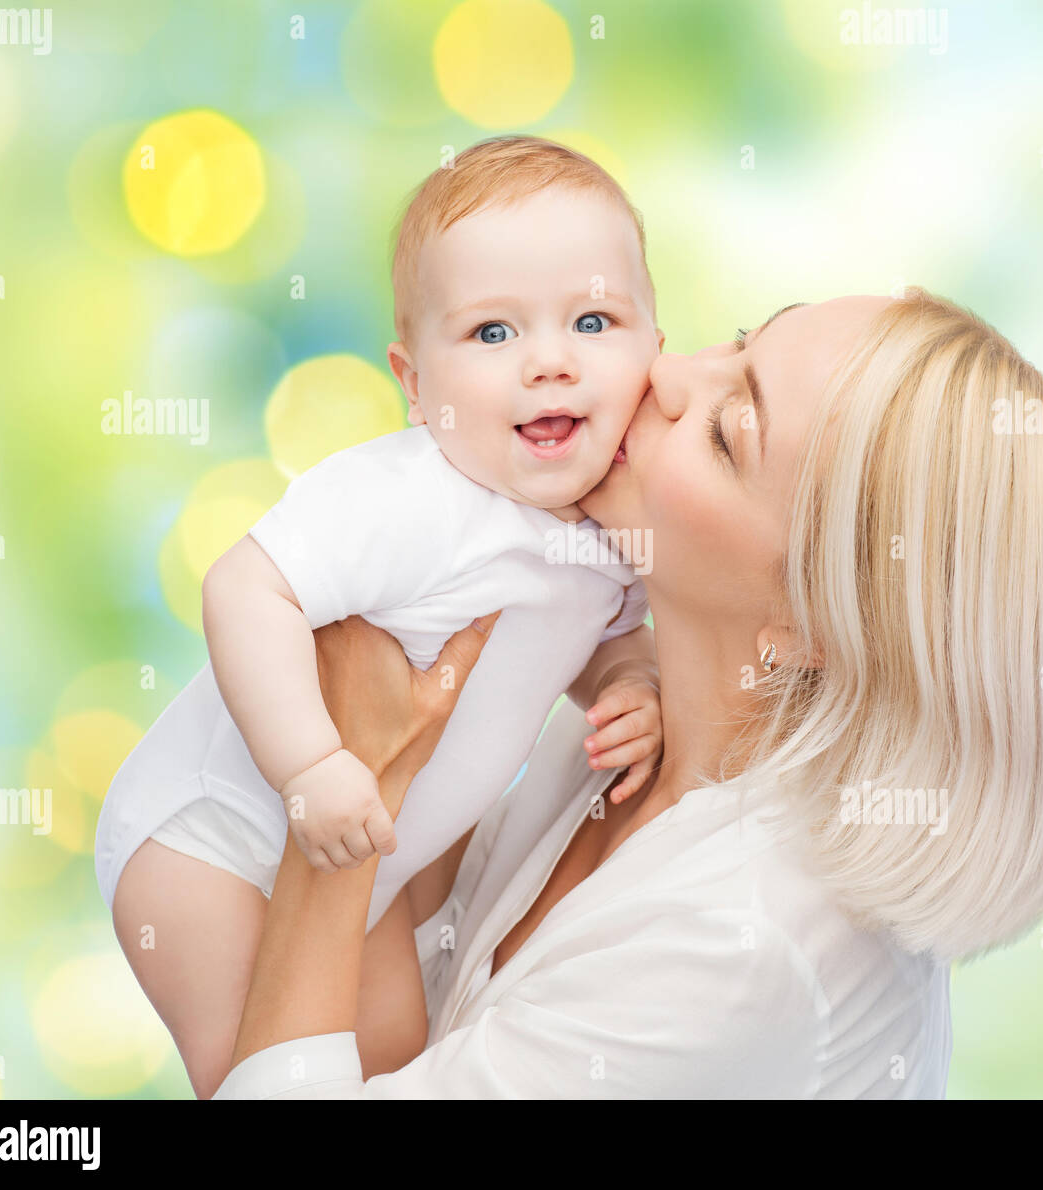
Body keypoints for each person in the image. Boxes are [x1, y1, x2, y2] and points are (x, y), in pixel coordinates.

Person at [213, 288, 1043, 1098]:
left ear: (811, 628)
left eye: (728, 431)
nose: (666, 372)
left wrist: (348, 789)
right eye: (741, 340)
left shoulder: (744, 950)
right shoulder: (633, 719)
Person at [95, 137, 668, 1099]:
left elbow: (602, 634)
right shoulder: (410, 501)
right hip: (209, 843)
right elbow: (244, 589)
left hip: (371, 867)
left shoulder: (617, 524)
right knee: (256, 1063)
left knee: (401, 1063)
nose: (551, 363)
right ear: (414, 383)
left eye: (594, 319)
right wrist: (311, 764)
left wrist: (630, 684)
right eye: (494, 333)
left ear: (656, 341)